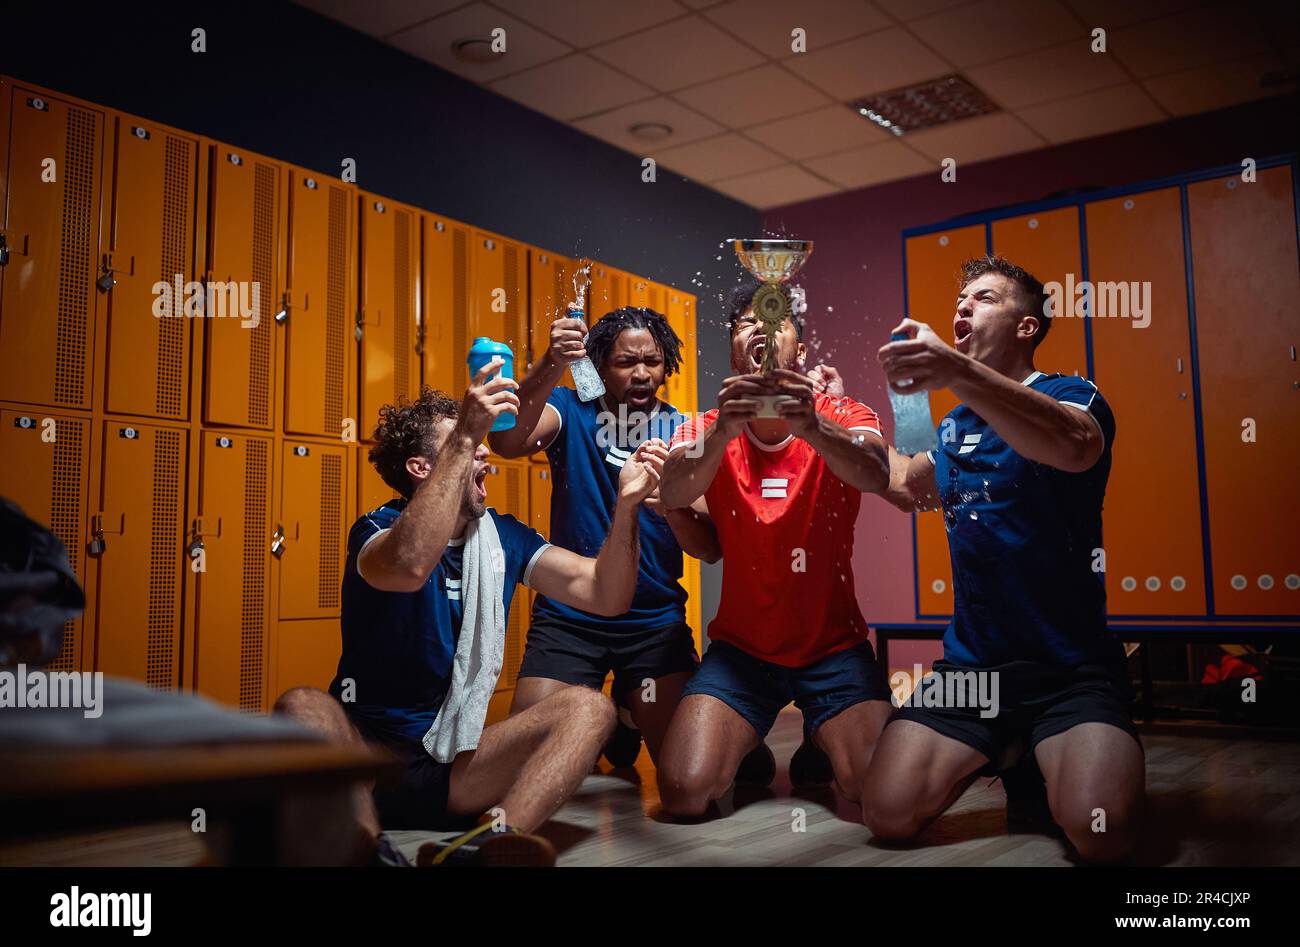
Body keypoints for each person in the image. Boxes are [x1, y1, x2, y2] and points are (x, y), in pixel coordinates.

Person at [275, 361, 663, 866]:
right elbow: (411, 565)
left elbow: (605, 594)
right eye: (464, 439)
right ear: (420, 468)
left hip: (452, 765)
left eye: (476, 438)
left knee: (592, 708)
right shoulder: (375, 531)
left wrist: (627, 508)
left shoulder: (504, 538)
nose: (484, 448)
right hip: (365, 760)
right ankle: (368, 852)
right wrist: (463, 437)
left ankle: (481, 849)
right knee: (303, 703)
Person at [863, 254, 1143, 864]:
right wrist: (820, 425)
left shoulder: (1070, 395)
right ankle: (1009, 747)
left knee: (1101, 832)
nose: (963, 306)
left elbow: (1071, 445)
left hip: (1070, 673)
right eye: (961, 299)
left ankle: (1043, 747)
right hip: (975, 673)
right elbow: (910, 483)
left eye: (984, 298)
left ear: (1028, 327)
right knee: (886, 813)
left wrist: (954, 370)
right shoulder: (958, 422)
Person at [654, 277, 909, 816]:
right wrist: (726, 427)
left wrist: (811, 423)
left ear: (801, 346)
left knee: (881, 794)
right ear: (732, 346)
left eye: (775, 323)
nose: (761, 333)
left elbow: (874, 471)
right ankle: (750, 745)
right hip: (743, 653)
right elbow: (673, 490)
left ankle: (823, 735)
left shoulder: (844, 414)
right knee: (683, 792)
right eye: (747, 323)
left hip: (834, 649)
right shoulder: (704, 426)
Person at [490, 306, 718, 768]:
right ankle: (612, 716)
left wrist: (673, 501)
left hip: (652, 621)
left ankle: (628, 714)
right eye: (625, 362)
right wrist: (552, 361)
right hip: (570, 617)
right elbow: (507, 442)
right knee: (520, 764)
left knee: (685, 782)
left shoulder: (683, 432)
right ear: (597, 364)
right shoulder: (570, 410)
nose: (641, 373)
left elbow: (710, 544)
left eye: (652, 361)